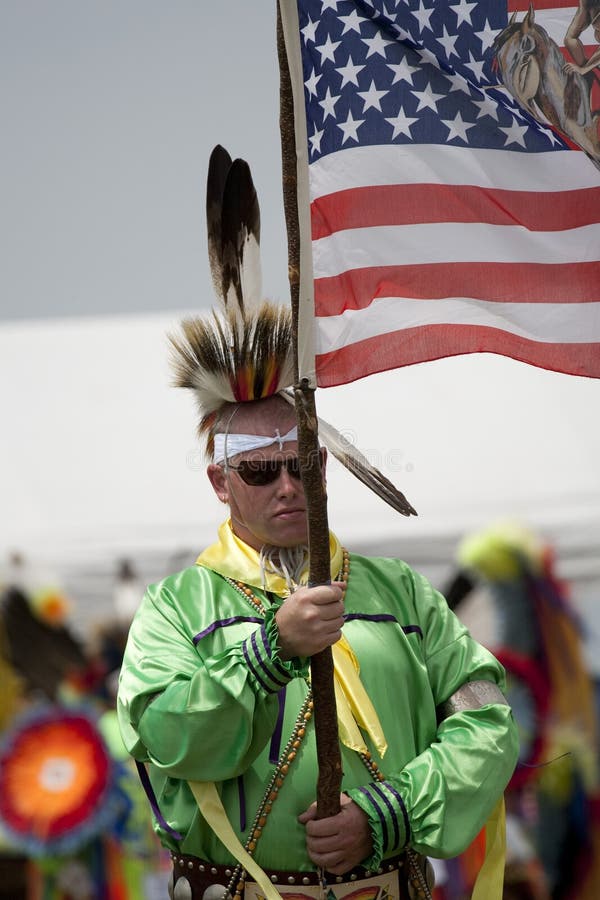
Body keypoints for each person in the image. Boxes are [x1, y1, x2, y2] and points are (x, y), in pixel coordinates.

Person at [117, 146, 519, 900]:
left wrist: (390, 815)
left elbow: (489, 721)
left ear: (325, 467)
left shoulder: (401, 596)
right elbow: (168, 737)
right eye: (259, 472)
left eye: (301, 464)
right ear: (220, 483)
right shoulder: (177, 610)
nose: (287, 487)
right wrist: (269, 651)